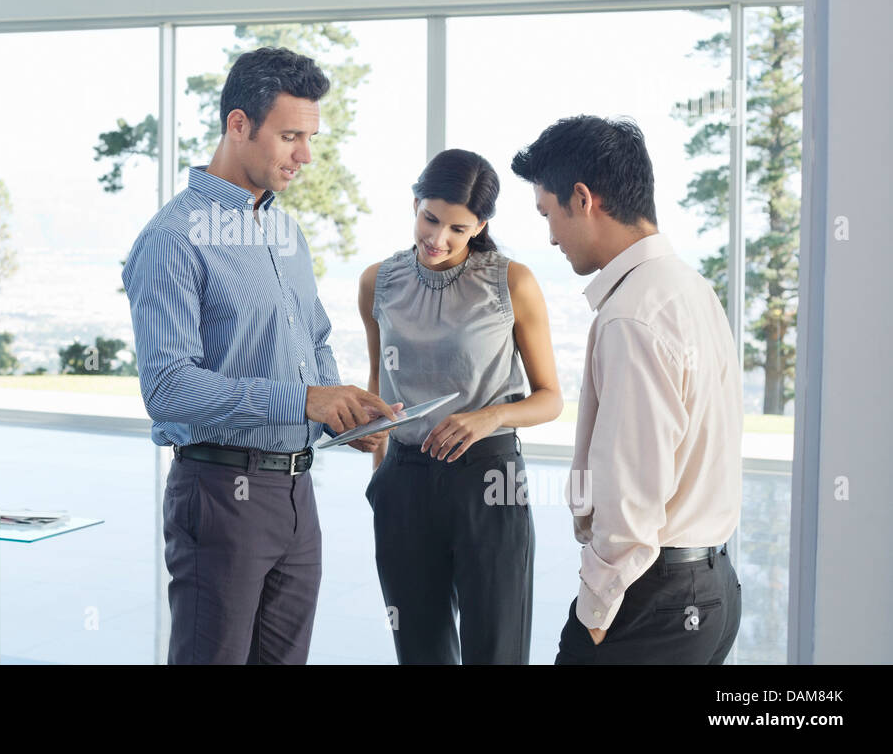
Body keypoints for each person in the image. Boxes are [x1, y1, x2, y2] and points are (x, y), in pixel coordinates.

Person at [121, 46, 402, 665]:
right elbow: (167, 388)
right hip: (220, 493)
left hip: (298, 493)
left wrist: (341, 411)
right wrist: (303, 400)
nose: (305, 156)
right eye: (290, 136)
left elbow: (315, 339)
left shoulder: (285, 231)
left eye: (311, 137)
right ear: (238, 125)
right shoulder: (171, 239)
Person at [510, 114, 743, 664]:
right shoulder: (689, 287)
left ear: (583, 199)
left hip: (651, 599)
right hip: (711, 589)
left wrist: (593, 614)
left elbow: (632, 488)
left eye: (549, 214)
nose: (550, 236)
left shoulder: (632, 315)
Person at [358, 148, 563, 664]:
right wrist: (379, 468)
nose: (438, 238)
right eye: (430, 218)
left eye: (458, 227)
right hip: (404, 482)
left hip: (488, 479)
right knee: (419, 649)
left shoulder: (511, 282)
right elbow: (380, 386)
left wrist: (490, 415)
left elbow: (550, 398)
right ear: (415, 202)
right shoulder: (377, 282)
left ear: (481, 226)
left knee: (496, 648)